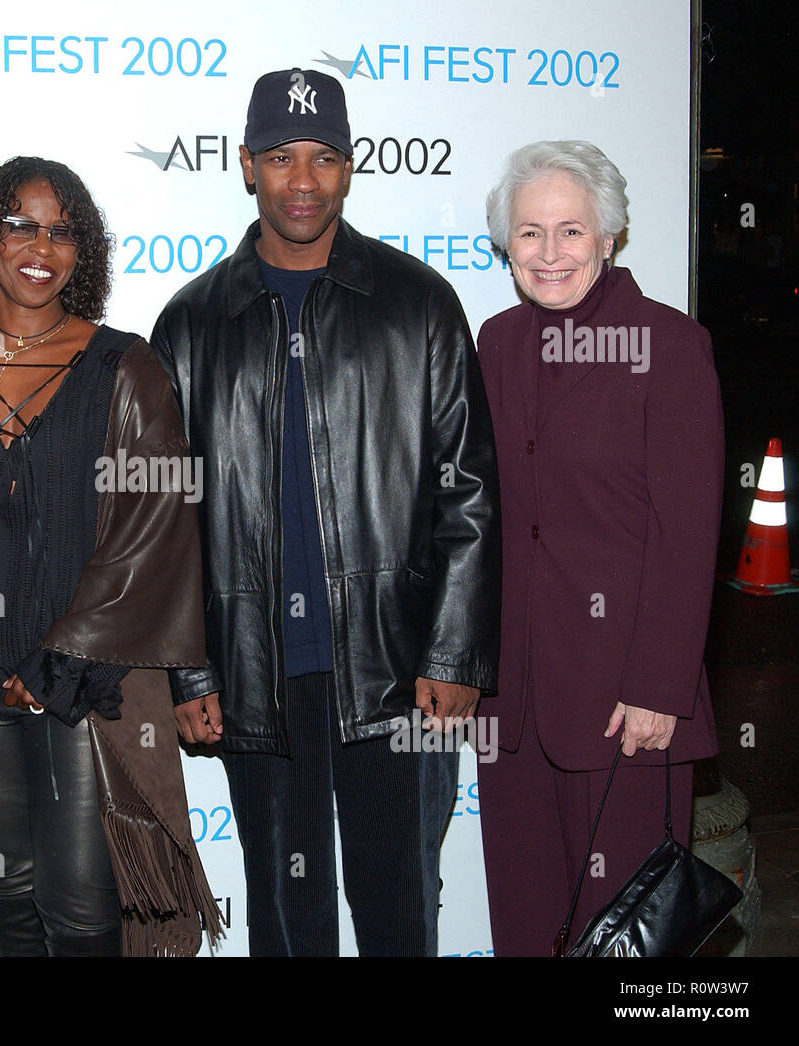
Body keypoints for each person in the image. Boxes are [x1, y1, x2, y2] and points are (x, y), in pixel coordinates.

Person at [151, 68, 500, 956]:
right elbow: (164, 522)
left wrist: (454, 651)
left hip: (396, 671)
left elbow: (468, 489)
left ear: (350, 168)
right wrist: (192, 674)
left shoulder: (419, 304)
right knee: (284, 920)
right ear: (245, 166)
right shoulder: (192, 325)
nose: (301, 180)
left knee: (400, 910)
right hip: (256, 673)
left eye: (323, 158)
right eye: (279, 157)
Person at [0, 156, 221, 957]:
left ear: (84, 251)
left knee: (81, 914)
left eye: (63, 231)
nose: (42, 246)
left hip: (81, 693)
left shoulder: (125, 369)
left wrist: (59, 660)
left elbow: (155, 529)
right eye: (21, 224)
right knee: (16, 911)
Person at [476, 140, 724, 955]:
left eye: (571, 231)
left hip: (627, 707)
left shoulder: (669, 346)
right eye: (529, 234)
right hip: (512, 705)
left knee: (624, 936)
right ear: (506, 245)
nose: (550, 254)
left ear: (609, 236)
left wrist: (660, 686)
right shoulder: (498, 343)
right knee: (524, 923)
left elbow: (687, 536)